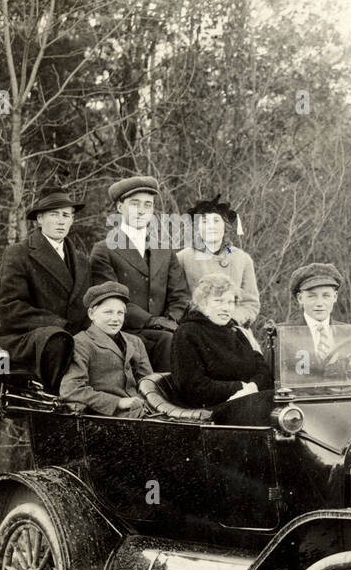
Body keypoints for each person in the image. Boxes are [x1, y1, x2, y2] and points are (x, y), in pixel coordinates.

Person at [0, 187, 92, 392]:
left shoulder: (82, 261)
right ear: (39, 219)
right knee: (58, 340)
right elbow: (9, 308)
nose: (60, 220)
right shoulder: (19, 253)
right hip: (29, 339)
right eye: (54, 214)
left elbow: (88, 307)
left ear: (72, 220)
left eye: (66, 215)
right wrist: (59, 325)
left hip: (72, 336)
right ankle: (55, 403)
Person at [90, 175, 190, 371]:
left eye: (148, 204)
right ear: (120, 208)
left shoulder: (164, 249)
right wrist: (153, 322)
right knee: (168, 341)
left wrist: (171, 320)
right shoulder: (104, 249)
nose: (142, 210)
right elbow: (110, 297)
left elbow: (179, 294)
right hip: (126, 329)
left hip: (166, 328)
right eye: (135, 204)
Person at [170, 273, 274, 420]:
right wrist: (239, 388)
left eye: (230, 302)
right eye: (219, 301)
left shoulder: (236, 332)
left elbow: (262, 368)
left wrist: (252, 387)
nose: (226, 308)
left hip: (249, 400)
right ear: (202, 303)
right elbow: (192, 387)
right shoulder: (187, 332)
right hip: (210, 414)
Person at [59, 281, 153, 417]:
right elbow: (71, 390)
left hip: (142, 411)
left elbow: (148, 382)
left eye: (120, 313)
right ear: (91, 314)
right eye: (108, 312)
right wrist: (118, 402)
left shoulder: (135, 342)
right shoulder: (81, 343)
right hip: (107, 414)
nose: (115, 319)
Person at [175, 194, 260, 328]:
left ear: (225, 225)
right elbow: (178, 300)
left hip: (233, 327)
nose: (210, 226)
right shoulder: (183, 258)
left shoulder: (242, 259)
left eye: (216, 221)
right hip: (196, 327)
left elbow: (250, 303)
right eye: (204, 221)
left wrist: (232, 319)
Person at [273, 262, 346, 379]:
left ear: (335, 297)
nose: (319, 303)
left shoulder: (347, 332)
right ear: (300, 298)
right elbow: (273, 381)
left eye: (326, 295)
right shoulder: (282, 334)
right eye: (312, 296)